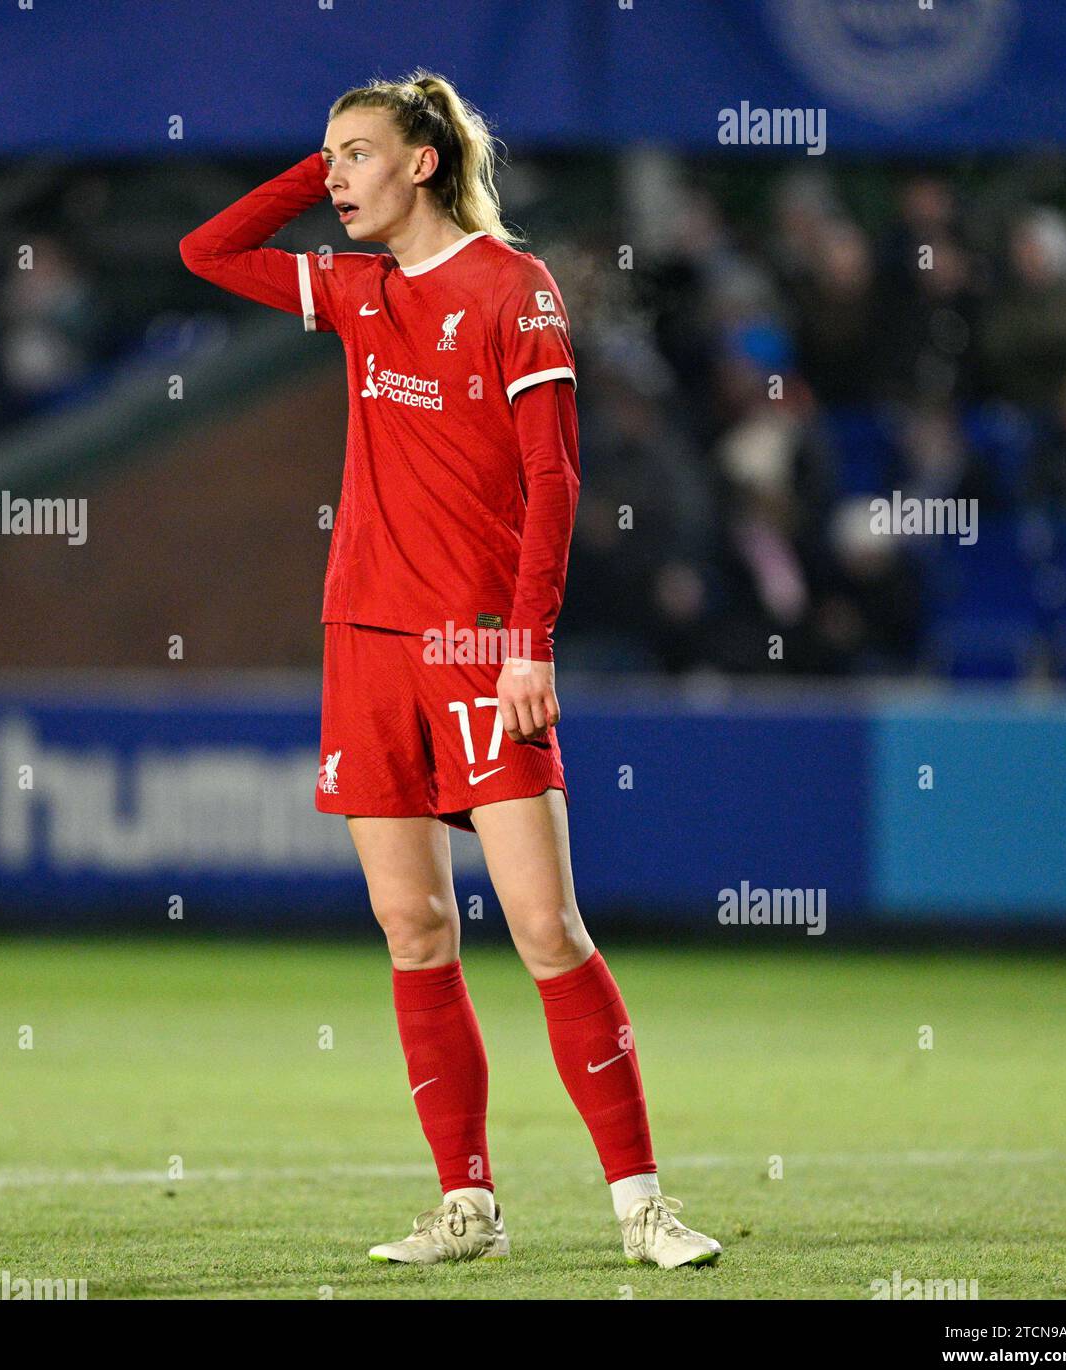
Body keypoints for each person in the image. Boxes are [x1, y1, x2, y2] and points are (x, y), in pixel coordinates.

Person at [180, 69, 721, 1270]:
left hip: (478, 647)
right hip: (363, 642)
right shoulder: (359, 292)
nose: (333, 180)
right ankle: (466, 1205)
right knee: (414, 928)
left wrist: (526, 641)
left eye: (359, 156)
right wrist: (317, 162)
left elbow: (554, 481)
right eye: (327, 161)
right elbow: (208, 249)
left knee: (544, 926)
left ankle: (640, 1206)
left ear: (424, 162)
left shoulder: (510, 288)